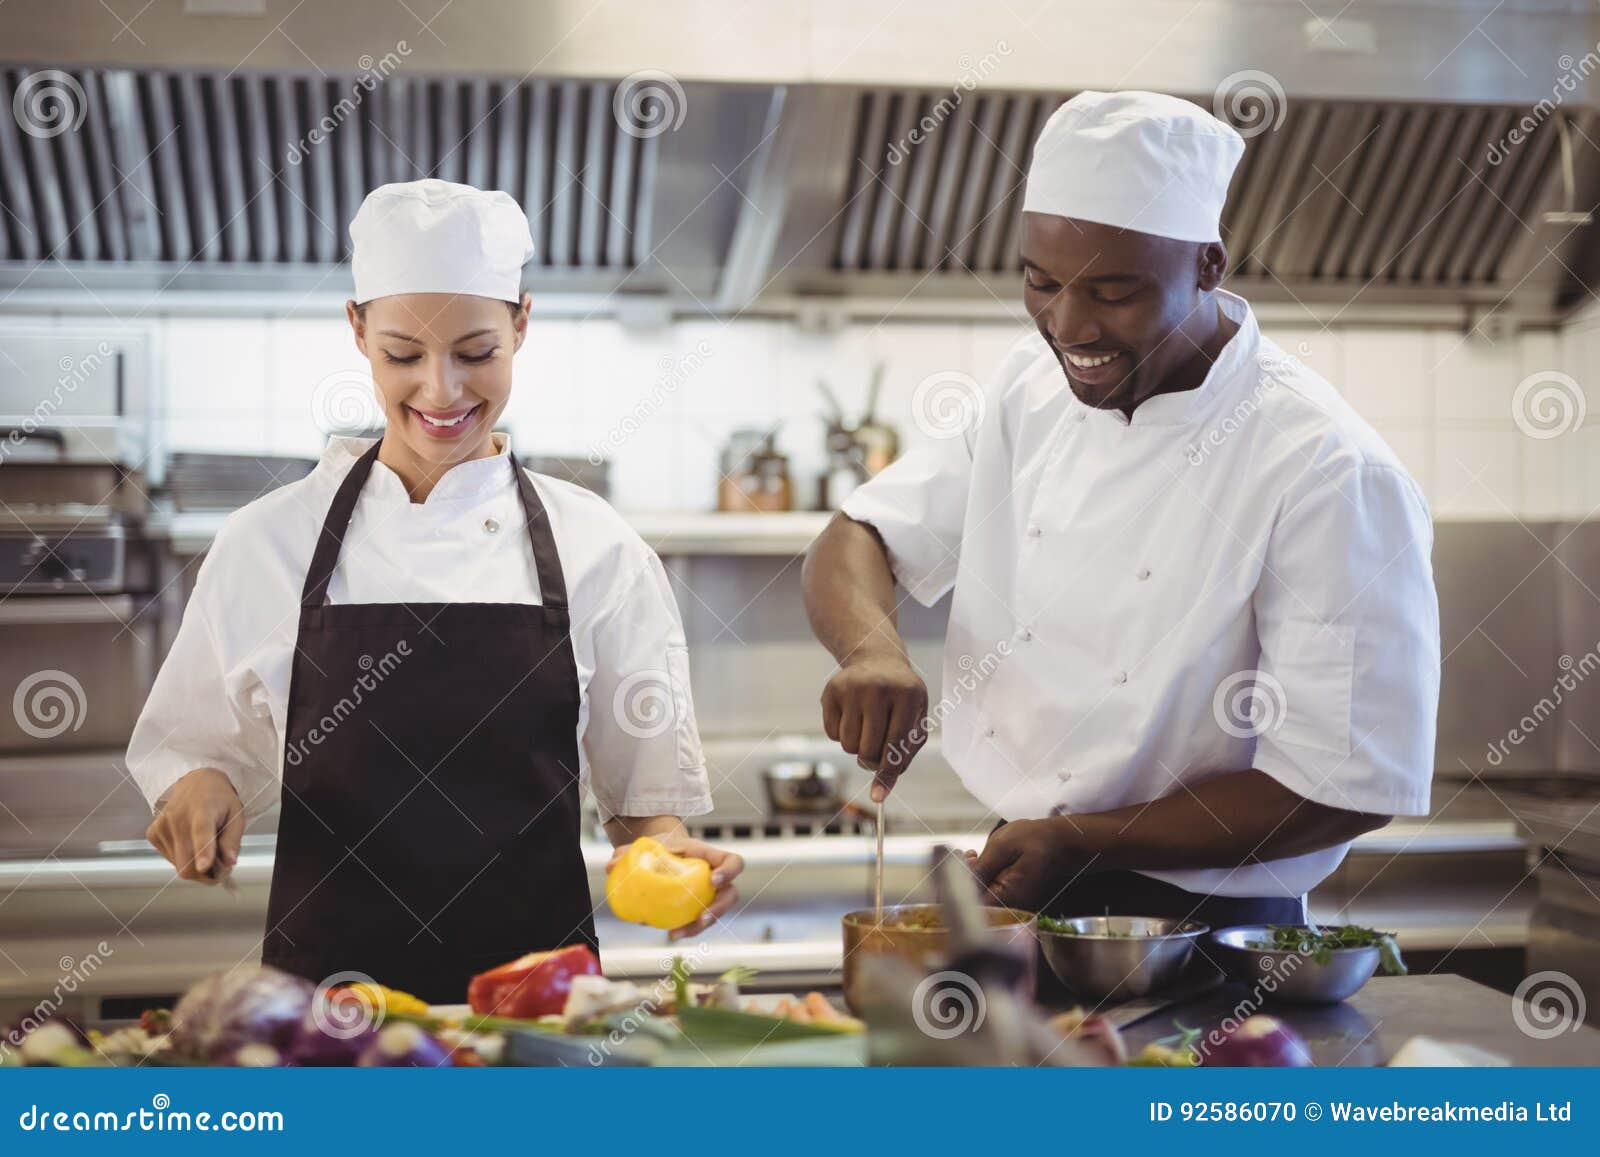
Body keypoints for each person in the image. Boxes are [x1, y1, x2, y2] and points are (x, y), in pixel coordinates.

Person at [801, 91, 1440, 927]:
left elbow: (1344, 784)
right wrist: (873, 651)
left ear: (1208, 266)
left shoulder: (1324, 466)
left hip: (1211, 936)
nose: (1068, 324)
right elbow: (858, 534)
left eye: (1114, 291)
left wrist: (1088, 842)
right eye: (1041, 280)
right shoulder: (1027, 393)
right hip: (1027, 882)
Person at [129, 178, 741, 1000]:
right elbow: (195, 748)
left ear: (522, 323)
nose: (442, 391)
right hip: (326, 1025)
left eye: (476, 352)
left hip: (540, 1027)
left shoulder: (600, 550)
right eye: (404, 355)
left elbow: (642, 814)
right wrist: (199, 791)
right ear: (357, 330)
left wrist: (672, 865)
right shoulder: (267, 543)